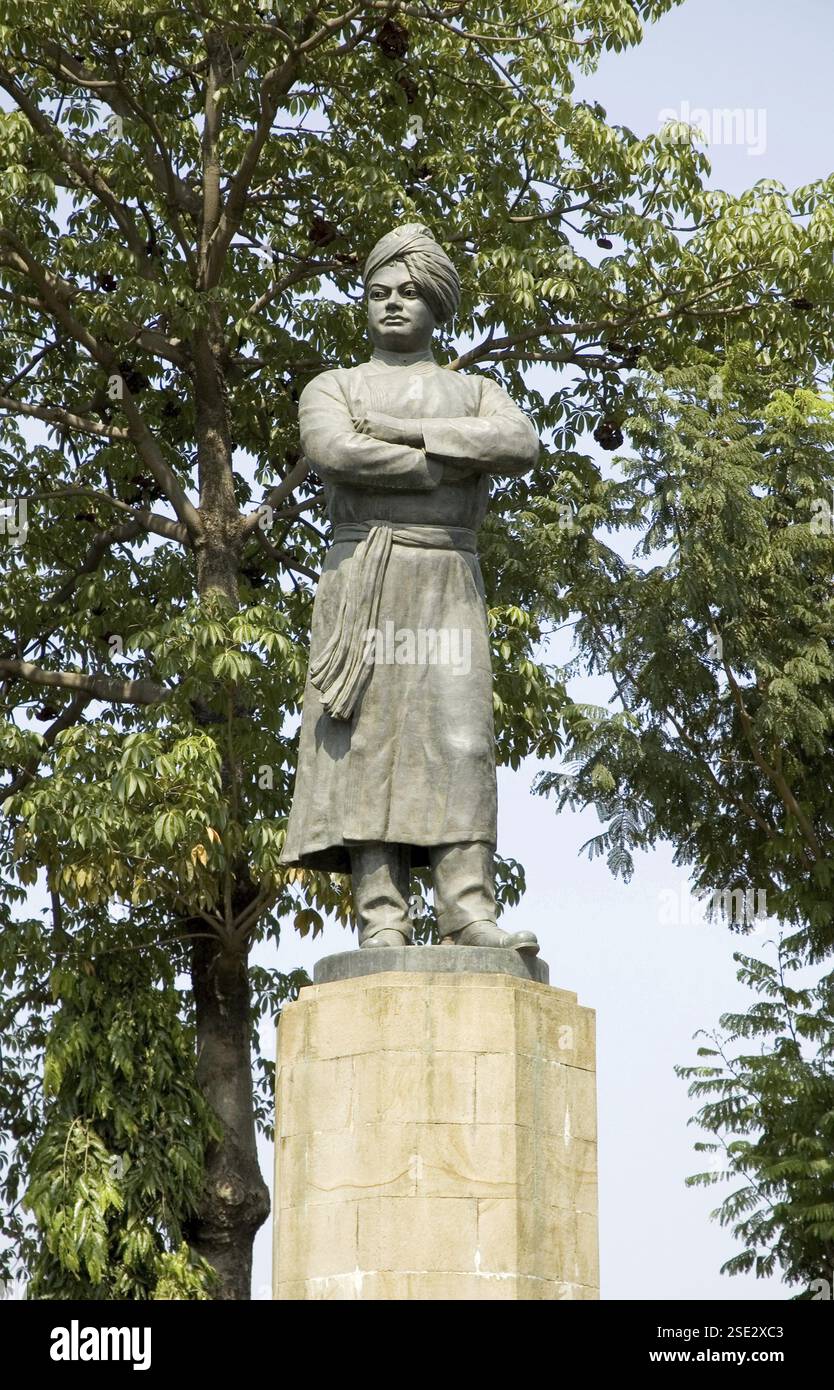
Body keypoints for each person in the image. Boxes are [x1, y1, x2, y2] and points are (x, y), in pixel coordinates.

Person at [279, 223, 540, 954]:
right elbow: (335, 450)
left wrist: (396, 429)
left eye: (409, 293)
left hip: (448, 575)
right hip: (364, 571)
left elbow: (519, 444)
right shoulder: (333, 386)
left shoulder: (475, 388)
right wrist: (441, 465)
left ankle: (466, 910)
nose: (392, 304)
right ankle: (382, 917)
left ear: (437, 306)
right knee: (367, 741)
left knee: (461, 737)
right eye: (378, 293)